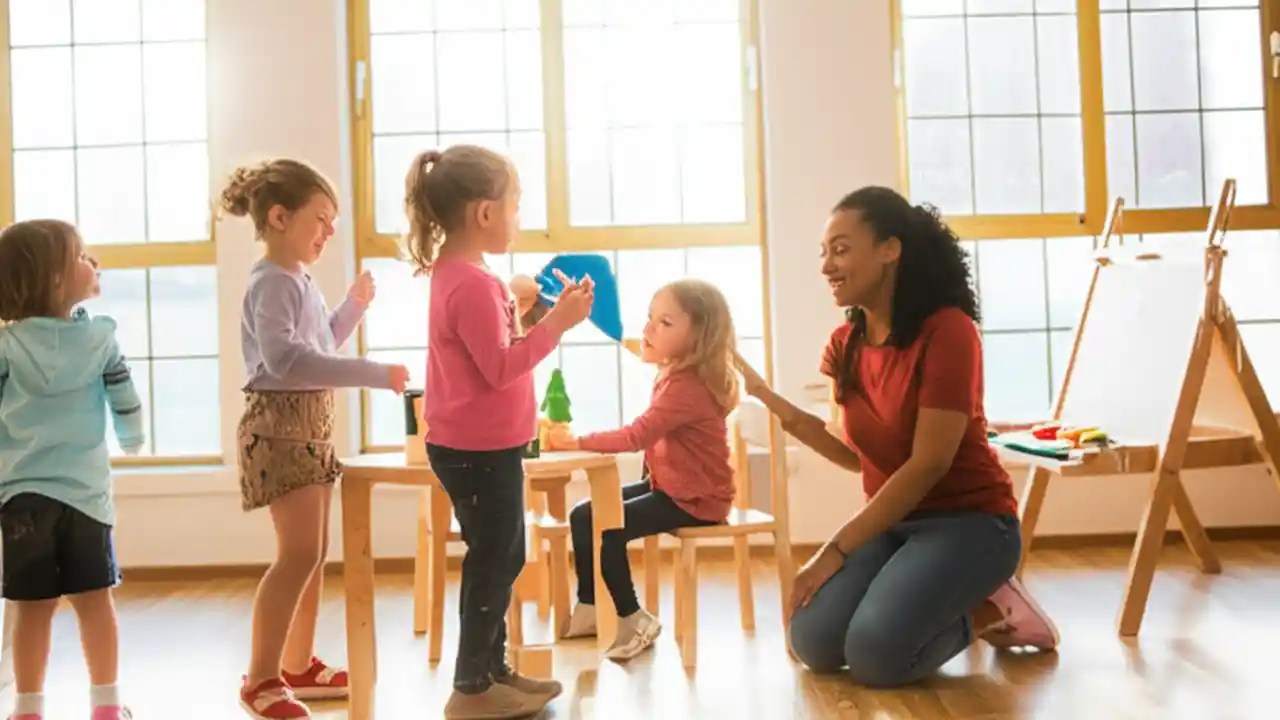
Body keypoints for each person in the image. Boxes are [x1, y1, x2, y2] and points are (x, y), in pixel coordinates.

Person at [738, 186, 1058, 688]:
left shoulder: (949, 332)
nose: (826, 266)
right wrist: (766, 398)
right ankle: (928, 601)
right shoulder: (845, 344)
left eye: (841, 249)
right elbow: (855, 454)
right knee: (813, 642)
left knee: (876, 657)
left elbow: (928, 464)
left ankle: (991, 607)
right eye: (823, 253)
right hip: (894, 527)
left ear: (890, 250)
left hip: (971, 524)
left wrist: (833, 550)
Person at [406, 145, 593, 720]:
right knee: (496, 559)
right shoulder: (472, 285)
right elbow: (502, 367)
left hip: (479, 446)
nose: (518, 218)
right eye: (515, 206)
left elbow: (499, 350)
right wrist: (558, 324)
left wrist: (541, 317)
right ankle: (471, 687)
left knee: (502, 554)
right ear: (485, 213)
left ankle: (491, 671)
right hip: (476, 450)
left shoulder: (464, 277)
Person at [222, 159, 410, 720]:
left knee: (313, 553)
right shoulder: (272, 282)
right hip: (279, 431)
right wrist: (373, 373)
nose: (329, 232)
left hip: (308, 429)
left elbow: (320, 341)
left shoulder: (298, 279)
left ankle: (298, 663)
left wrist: (352, 306)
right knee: (297, 554)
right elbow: (287, 361)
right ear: (279, 217)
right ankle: (261, 678)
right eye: (321, 220)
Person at [550, 279, 738, 660]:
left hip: (695, 500)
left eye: (665, 323)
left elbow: (636, 436)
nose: (649, 330)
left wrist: (576, 441)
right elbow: (632, 345)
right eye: (650, 319)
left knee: (608, 526)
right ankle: (588, 607)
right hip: (673, 487)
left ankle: (634, 618)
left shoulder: (686, 387)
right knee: (583, 514)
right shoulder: (674, 374)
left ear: (699, 337)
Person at [0, 220, 143, 720]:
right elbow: (124, 396)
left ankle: (27, 708)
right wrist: (132, 439)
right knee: (94, 603)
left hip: (22, 499)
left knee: (32, 609)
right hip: (85, 495)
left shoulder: (7, 346)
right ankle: (105, 704)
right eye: (82, 256)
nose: (94, 263)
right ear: (56, 281)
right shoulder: (100, 339)